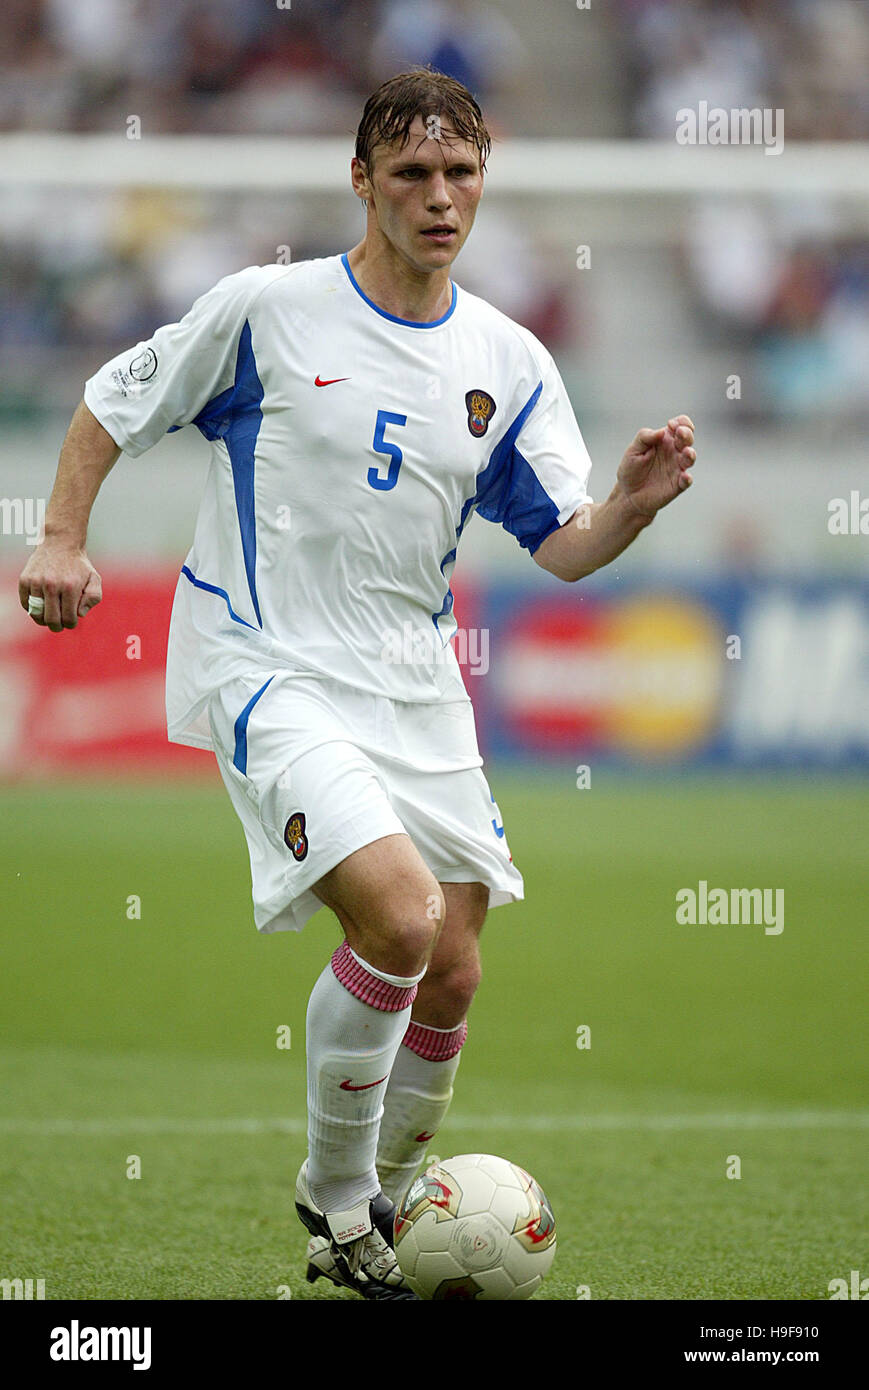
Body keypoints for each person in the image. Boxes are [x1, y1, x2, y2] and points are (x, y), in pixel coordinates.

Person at [18, 68, 696, 1300]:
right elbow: (112, 404)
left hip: (412, 680)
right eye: (412, 176)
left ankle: (378, 1187)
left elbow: (564, 542)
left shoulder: (509, 357)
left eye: (462, 175)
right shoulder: (266, 311)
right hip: (262, 660)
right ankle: (337, 1206)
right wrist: (62, 537)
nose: (441, 199)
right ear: (361, 183)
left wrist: (630, 511)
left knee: (453, 967)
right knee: (397, 915)